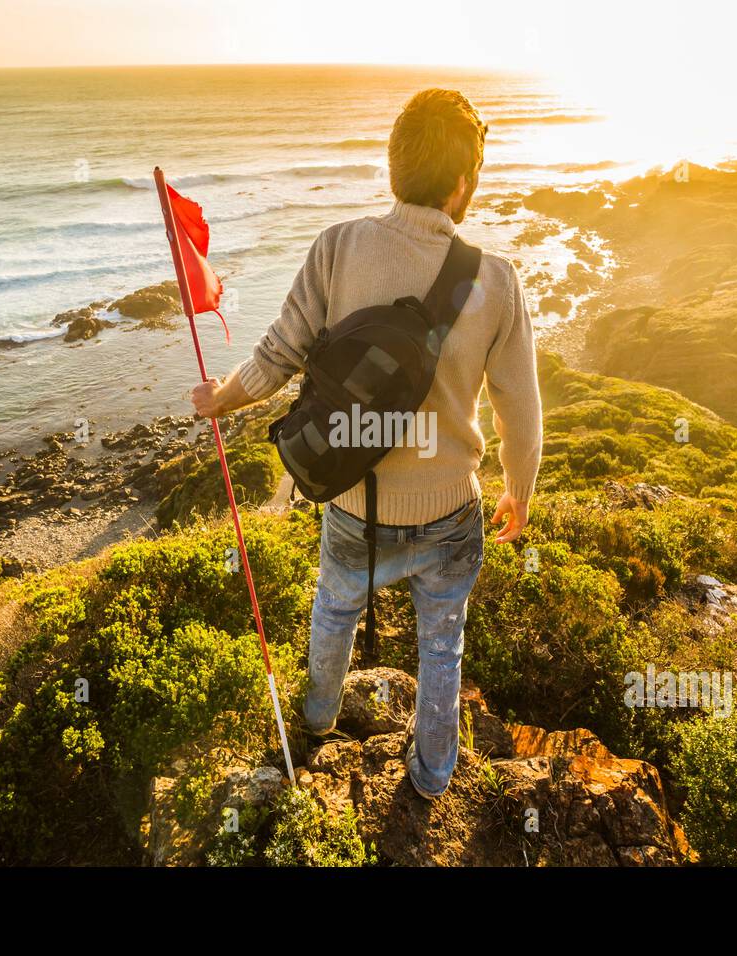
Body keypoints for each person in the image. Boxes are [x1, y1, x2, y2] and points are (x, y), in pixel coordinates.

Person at [191, 88, 542, 799]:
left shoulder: (338, 247)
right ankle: (434, 777)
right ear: (463, 182)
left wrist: (222, 399)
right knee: (442, 644)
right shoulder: (496, 280)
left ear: (393, 167)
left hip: (354, 503)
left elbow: (276, 356)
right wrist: (520, 490)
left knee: (334, 611)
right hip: (451, 513)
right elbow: (520, 411)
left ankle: (316, 724)